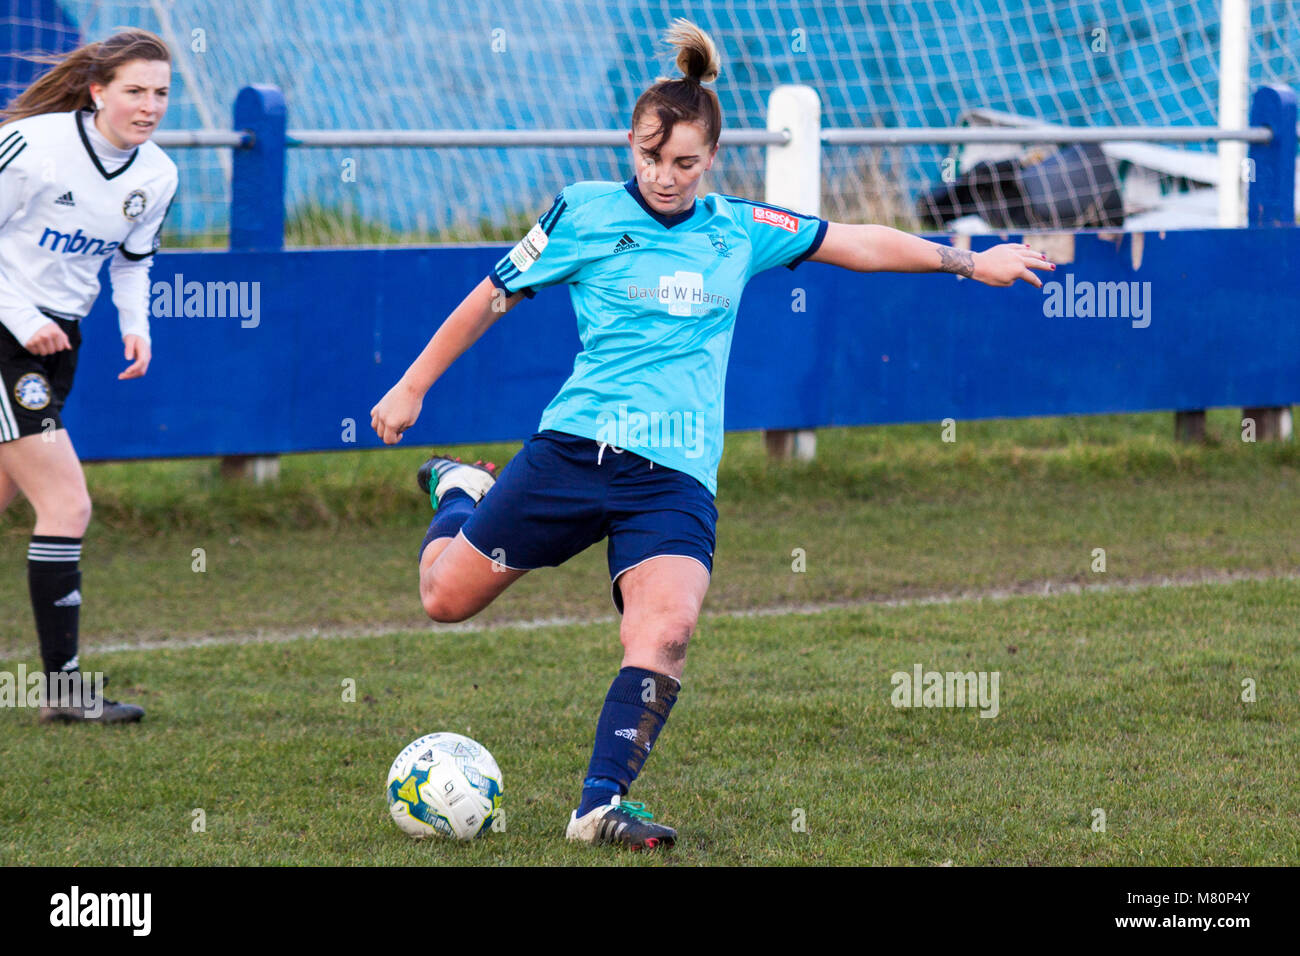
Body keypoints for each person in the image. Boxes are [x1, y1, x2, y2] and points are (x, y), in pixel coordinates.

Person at [370, 19, 1053, 848]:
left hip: (675, 476)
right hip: (574, 451)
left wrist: (969, 261)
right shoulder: (583, 213)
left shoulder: (739, 227)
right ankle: (459, 490)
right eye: (651, 158)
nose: (664, 176)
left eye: (684, 163)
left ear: (712, 159)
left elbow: (857, 242)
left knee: (668, 630)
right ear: (632, 144)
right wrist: (411, 386)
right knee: (444, 599)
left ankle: (598, 806)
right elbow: (489, 296)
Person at [0, 29, 179, 723]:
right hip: (8, 335)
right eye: (135, 90)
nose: (150, 106)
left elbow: (132, 262)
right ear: (98, 90)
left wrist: (138, 325)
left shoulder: (156, 174)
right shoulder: (36, 146)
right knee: (68, 506)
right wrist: (19, 316)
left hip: (57, 342)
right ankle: (65, 690)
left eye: (161, 93)